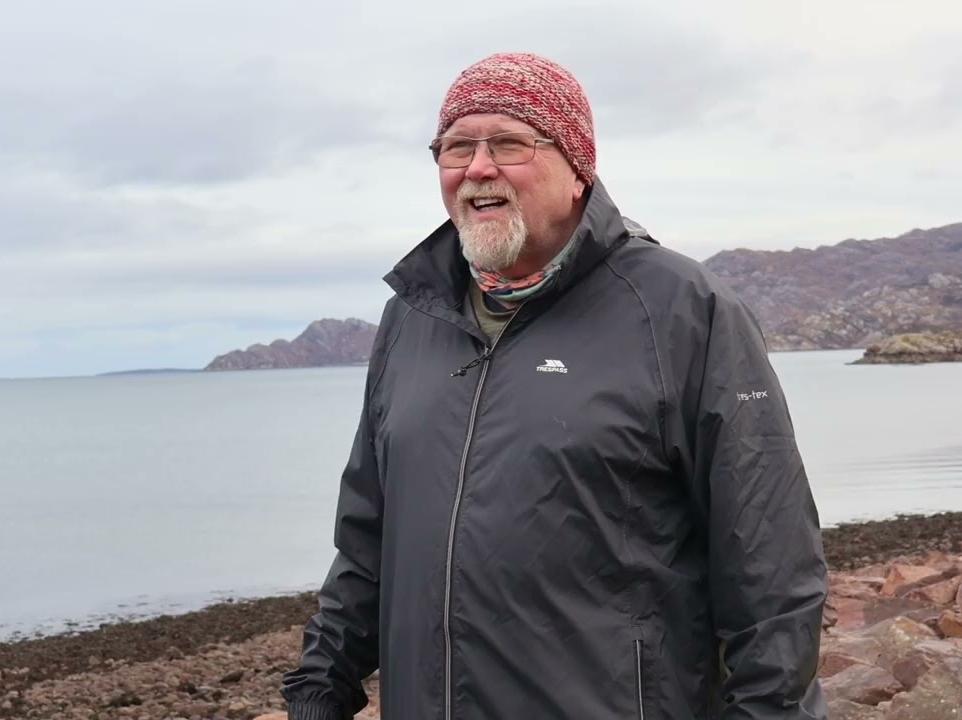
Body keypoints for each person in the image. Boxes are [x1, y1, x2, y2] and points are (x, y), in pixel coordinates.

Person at [280, 51, 829, 720]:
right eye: (456, 147)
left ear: (578, 168)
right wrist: (317, 690)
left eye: (509, 143)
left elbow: (772, 574)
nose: (478, 167)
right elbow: (368, 543)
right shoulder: (412, 318)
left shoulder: (684, 311)